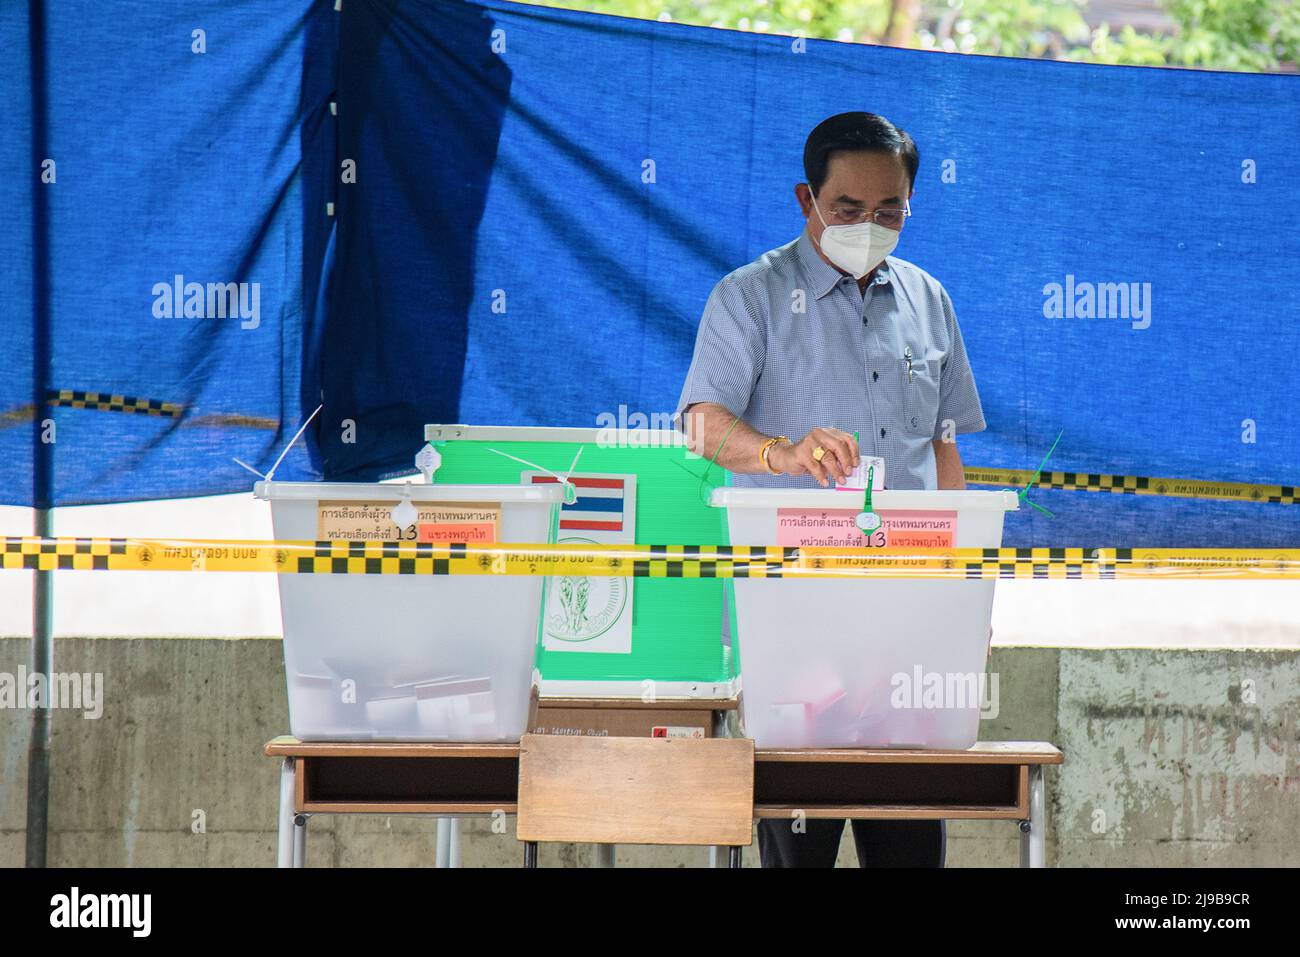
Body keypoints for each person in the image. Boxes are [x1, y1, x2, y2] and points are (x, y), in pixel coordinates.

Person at [675, 111, 986, 867]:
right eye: (848, 209)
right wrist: (781, 452)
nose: (870, 225)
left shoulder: (930, 301)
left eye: (891, 211)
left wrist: (964, 589)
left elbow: (944, 451)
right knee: (800, 841)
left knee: (910, 841)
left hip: (908, 623)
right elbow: (700, 426)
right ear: (805, 199)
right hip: (796, 620)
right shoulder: (750, 297)